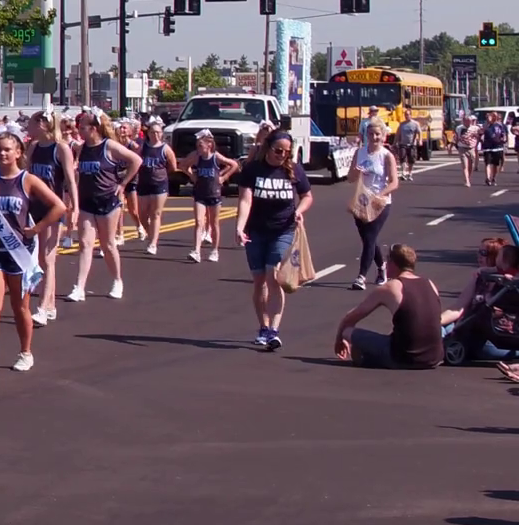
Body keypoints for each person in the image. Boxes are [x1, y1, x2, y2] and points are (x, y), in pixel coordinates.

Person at [0, 132, 66, 376]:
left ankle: (25, 352)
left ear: (19, 153)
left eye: (8, 149)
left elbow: (59, 207)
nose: (2, 153)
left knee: (20, 307)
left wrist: (36, 229)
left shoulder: (27, 180)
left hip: (19, 253)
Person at [235, 130, 314, 351]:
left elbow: (307, 195)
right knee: (259, 281)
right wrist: (240, 227)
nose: (282, 155)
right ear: (267, 148)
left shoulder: (293, 170)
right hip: (256, 231)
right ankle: (263, 326)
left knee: (274, 276)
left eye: (286, 152)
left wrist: (299, 211)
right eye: (278, 150)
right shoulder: (252, 170)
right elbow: (245, 201)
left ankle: (274, 331)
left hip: (283, 230)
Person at [67, 111, 143, 303]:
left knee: (108, 245)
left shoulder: (109, 146)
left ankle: (117, 280)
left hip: (108, 200)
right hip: (87, 201)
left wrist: (123, 183)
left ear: (93, 129)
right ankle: (80, 287)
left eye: (82, 127)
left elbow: (136, 160)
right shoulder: (81, 148)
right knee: (85, 244)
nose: (79, 130)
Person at [333, 244, 443, 369]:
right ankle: (366, 357)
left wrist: (339, 340)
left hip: (404, 358)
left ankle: (366, 357)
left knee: (348, 331)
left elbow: (352, 316)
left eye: (387, 260)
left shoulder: (392, 287)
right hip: (434, 358)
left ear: (393, 263)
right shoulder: (430, 283)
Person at [23, 111, 77, 326]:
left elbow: (71, 181)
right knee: (38, 258)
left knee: (48, 258)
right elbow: (26, 177)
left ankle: (43, 308)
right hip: (34, 207)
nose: (28, 128)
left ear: (43, 124)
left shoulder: (61, 148)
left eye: (31, 124)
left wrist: (75, 208)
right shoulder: (34, 147)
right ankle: (51, 305)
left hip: (54, 208)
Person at [347, 122, 400, 289]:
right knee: (368, 239)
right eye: (371, 134)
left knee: (370, 237)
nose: (375, 137)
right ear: (366, 136)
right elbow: (350, 178)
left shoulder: (386, 155)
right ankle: (382, 267)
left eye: (378, 134)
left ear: (383, 136)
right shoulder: (360, 152)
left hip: (380, 203)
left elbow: (394, 183)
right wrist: (357, 171)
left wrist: (379, 195)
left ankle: (361, 277)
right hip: (361, 202)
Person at [177, 129, 239, 263]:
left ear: (209, 145)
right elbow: (182, 165)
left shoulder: (216, 157)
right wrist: (192, 175)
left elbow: (233, 164)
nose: (198, 148)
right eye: (197, 146)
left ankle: (215, 250)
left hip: (214, 193)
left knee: (214, 223)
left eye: (200, 146)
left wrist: (224, 176)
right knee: (199, 222)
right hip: (200, 192)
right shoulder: (196, 156)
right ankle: (196, 251)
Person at [132, 119, 173, 255]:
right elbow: (135, 160)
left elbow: (172, 166)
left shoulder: (165, 149)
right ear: (148, 133)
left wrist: (163, 174)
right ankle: (151, 234)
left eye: (158, 132)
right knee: (143, 214)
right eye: (152, 132)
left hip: (159, 183)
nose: (155, 135)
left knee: (156, 213)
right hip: (144, 183)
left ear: (161, 134)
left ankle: (153, 243)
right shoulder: (143, 147)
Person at [483, 111, 509, 187]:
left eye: (494, 116)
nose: (490, 118)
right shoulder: (486, 126)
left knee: (495, 164)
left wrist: (503, 140)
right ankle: (488, 178)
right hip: (488, 148)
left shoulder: (500, 126)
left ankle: (493, 177)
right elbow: (481, 133)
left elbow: (503, 135)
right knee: (487, 163)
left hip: (497, 147)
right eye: (490, 116)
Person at [455, 113, 481, 188]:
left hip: (471, 148)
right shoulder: (459, 128)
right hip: (462, 148)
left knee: (471, 165)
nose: (468, 122)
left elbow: (479, 137)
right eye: (466, 121)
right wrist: (456, 144)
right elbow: (457, 137)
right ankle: (467, 181)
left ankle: (468, 177)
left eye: (470, 121)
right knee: (465, 165)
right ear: (463, 121)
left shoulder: (475, 128)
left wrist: (477, 143)